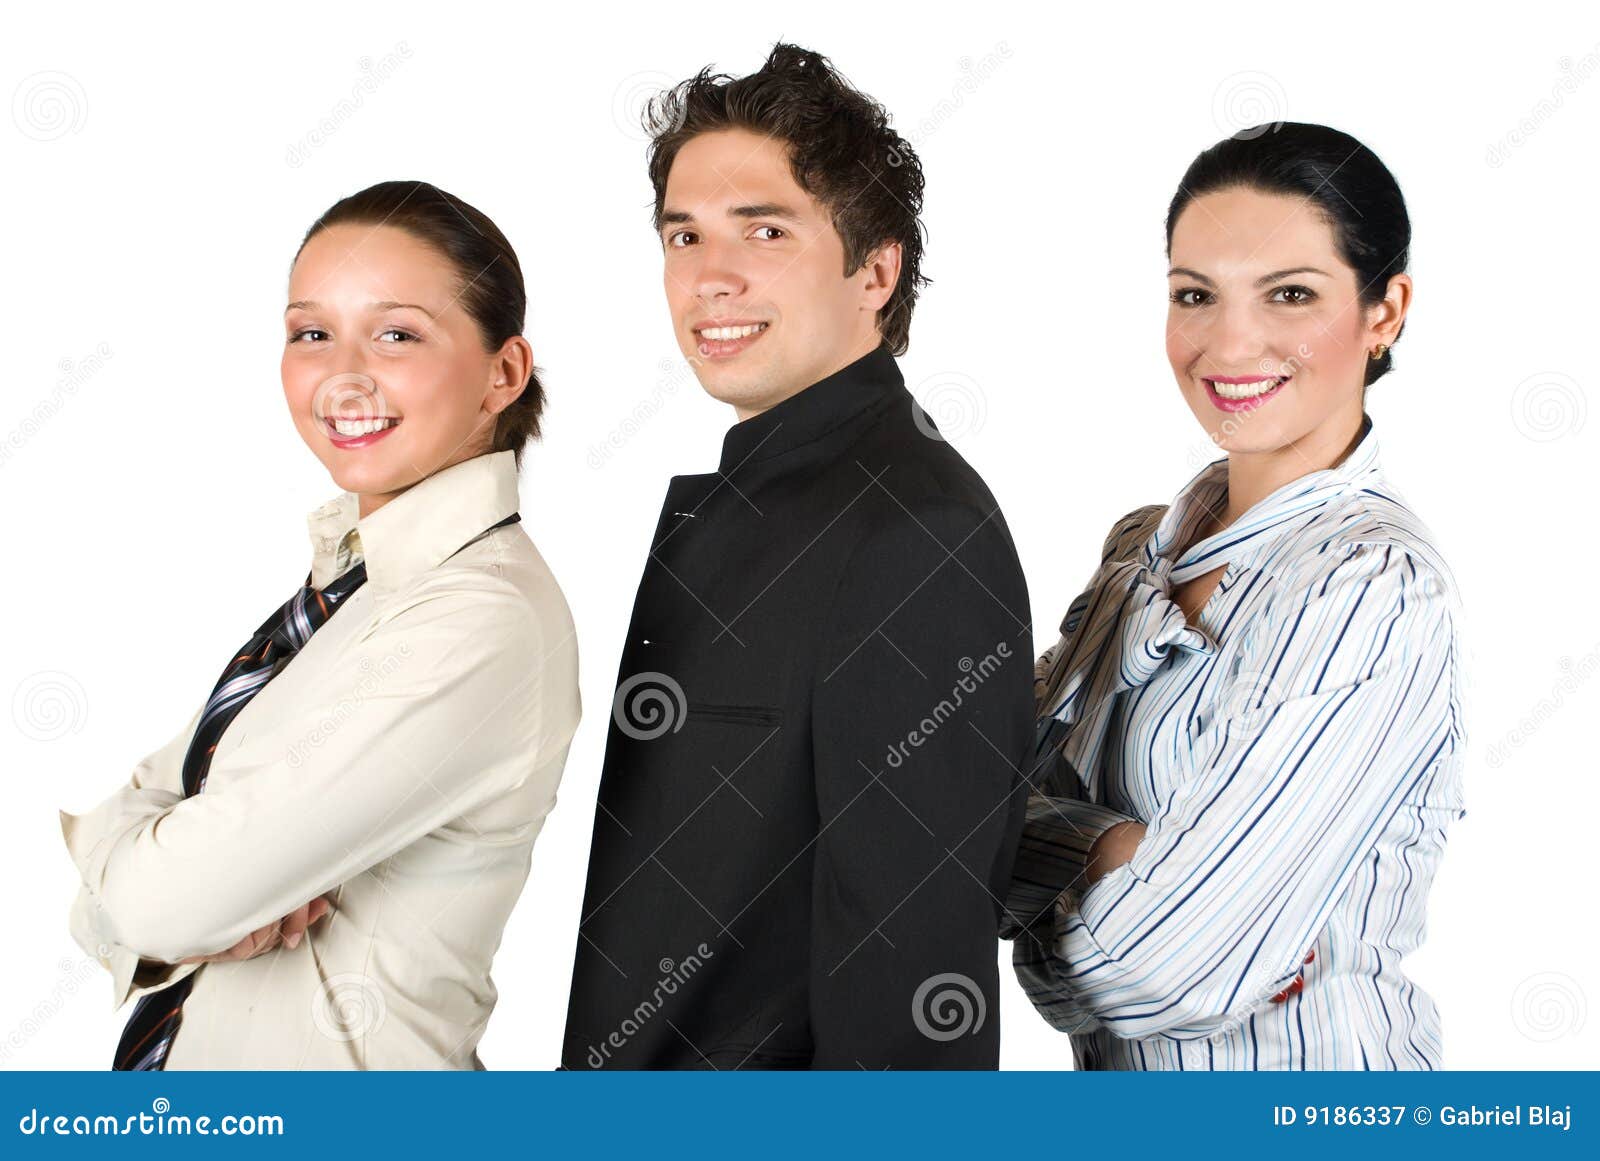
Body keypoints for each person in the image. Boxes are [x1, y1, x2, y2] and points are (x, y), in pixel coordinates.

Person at [561, 44, 1033, 1070]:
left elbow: (910, 1002)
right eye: (683, 235)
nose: (709, 276)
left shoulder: (915, 533)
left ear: (875, 272)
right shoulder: (774, 487)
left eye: (764, 230)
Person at [59, 180, 581, 1069]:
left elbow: (159, 902)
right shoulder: (353, 588)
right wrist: (161, 880)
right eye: (312, 333)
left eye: (397, 334)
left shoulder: (477, 616)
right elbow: (140, 840)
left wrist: (173, 887)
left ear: (505, 371)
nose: (342, 375)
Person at [1003, 123, 1467, 1070]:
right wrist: (1115, 850)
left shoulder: (1371, 584)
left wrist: (1038, 915)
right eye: (1195, 295)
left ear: (1386, 311)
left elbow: (1167, 970)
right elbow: (958, 806)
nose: (1229, 342)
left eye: (1290, 294)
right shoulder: (1140, 548)